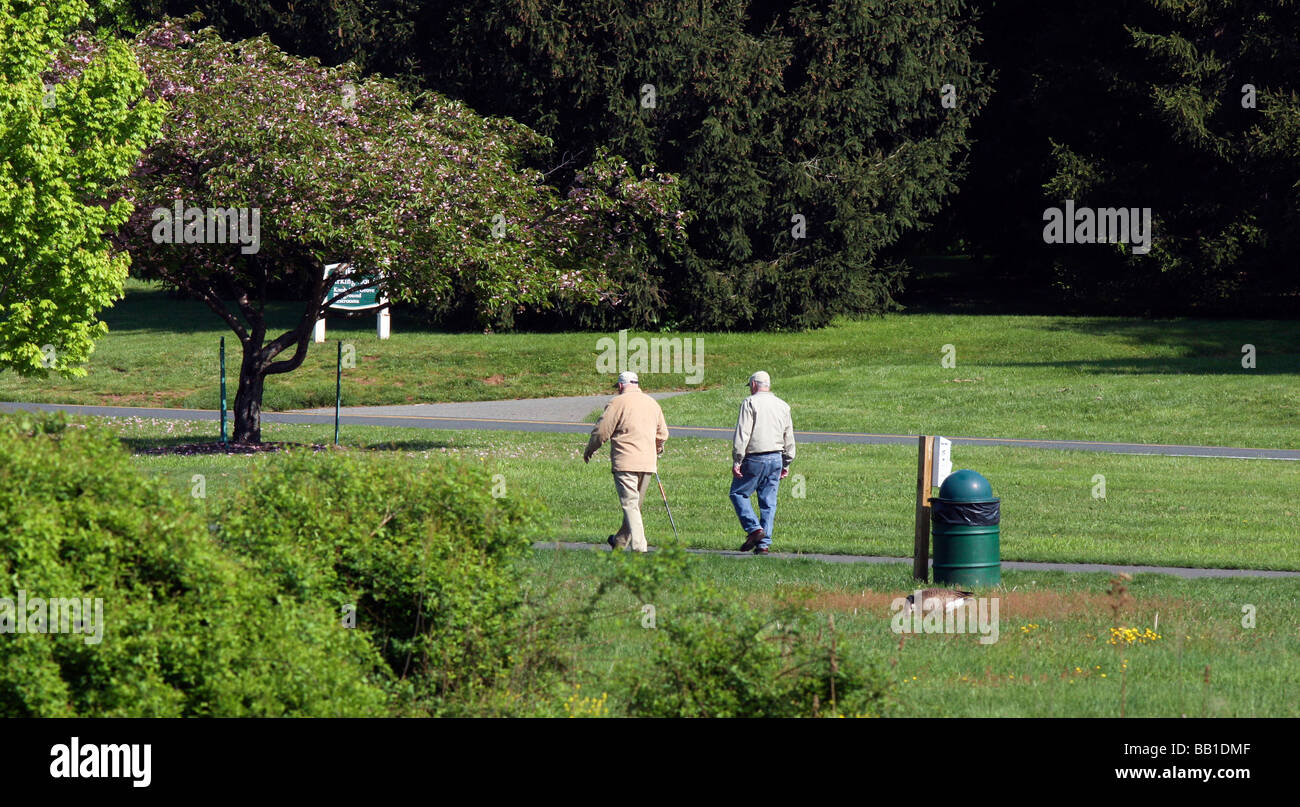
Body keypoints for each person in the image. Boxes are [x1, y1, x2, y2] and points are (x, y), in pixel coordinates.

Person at [583, 371, 669, 552]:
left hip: (625, 461)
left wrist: (590, 449)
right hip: (648, 464)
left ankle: (640, 549)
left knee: (630, 505)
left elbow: (601, 431)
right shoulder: (653, 403)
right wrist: (657, 448)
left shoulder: (617, 403)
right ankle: (620, 542)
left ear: (621, 386)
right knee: (635, 506)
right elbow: (662, 434)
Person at [730, 371, 795, 554]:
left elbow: (743, 433)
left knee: (738, 493)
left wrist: (737, 460)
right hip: (776, 457)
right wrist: (787, 462)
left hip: (755, 457)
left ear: (753, 385)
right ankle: (763, 544)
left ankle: (754, 529)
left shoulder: (750, 403)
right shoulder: (783, 405)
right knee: (768, 502)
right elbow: (788, 436)